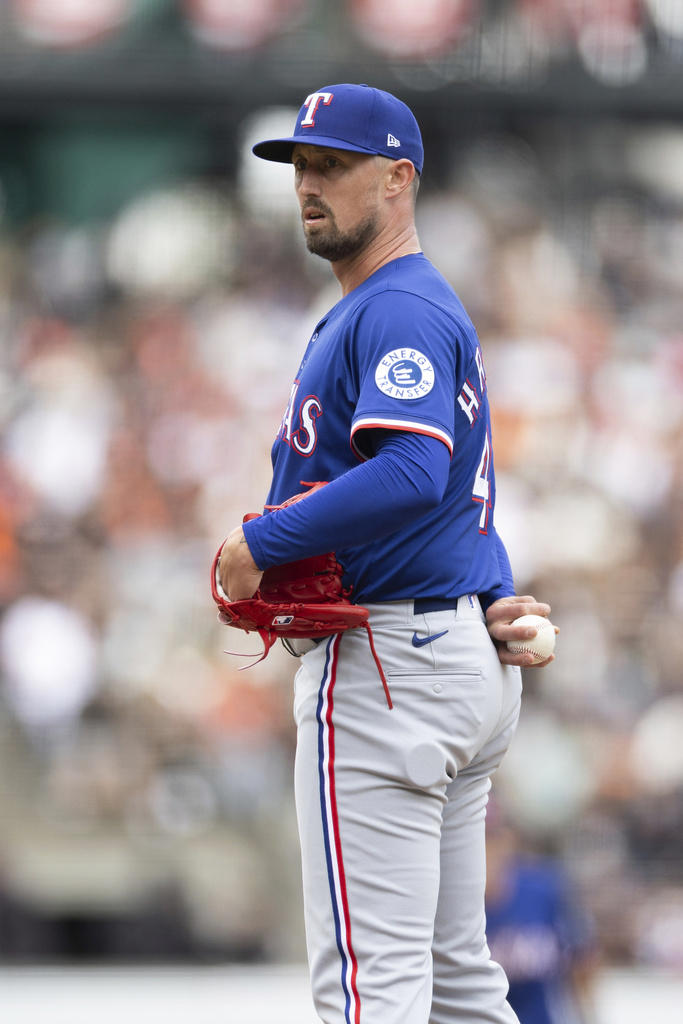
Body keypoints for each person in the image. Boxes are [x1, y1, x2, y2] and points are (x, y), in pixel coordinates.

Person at [217, 83, 556, 1024]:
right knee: (457, 988)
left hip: (388, 669)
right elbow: (457, 487)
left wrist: (260, 540)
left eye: (333, 166)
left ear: (398, 179)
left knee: (373, 991)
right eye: (300, 166)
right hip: (444, 654)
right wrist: (486, 589)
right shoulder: (408, 303)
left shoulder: (397, 306)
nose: (307, 185)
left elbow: (413, 471)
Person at [485, 802, 598, 1024]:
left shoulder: (543, 889)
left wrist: (588, 1018)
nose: (487, 849)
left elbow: (582, 958)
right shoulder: (445, 903)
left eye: (492, 836)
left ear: (509, 839)